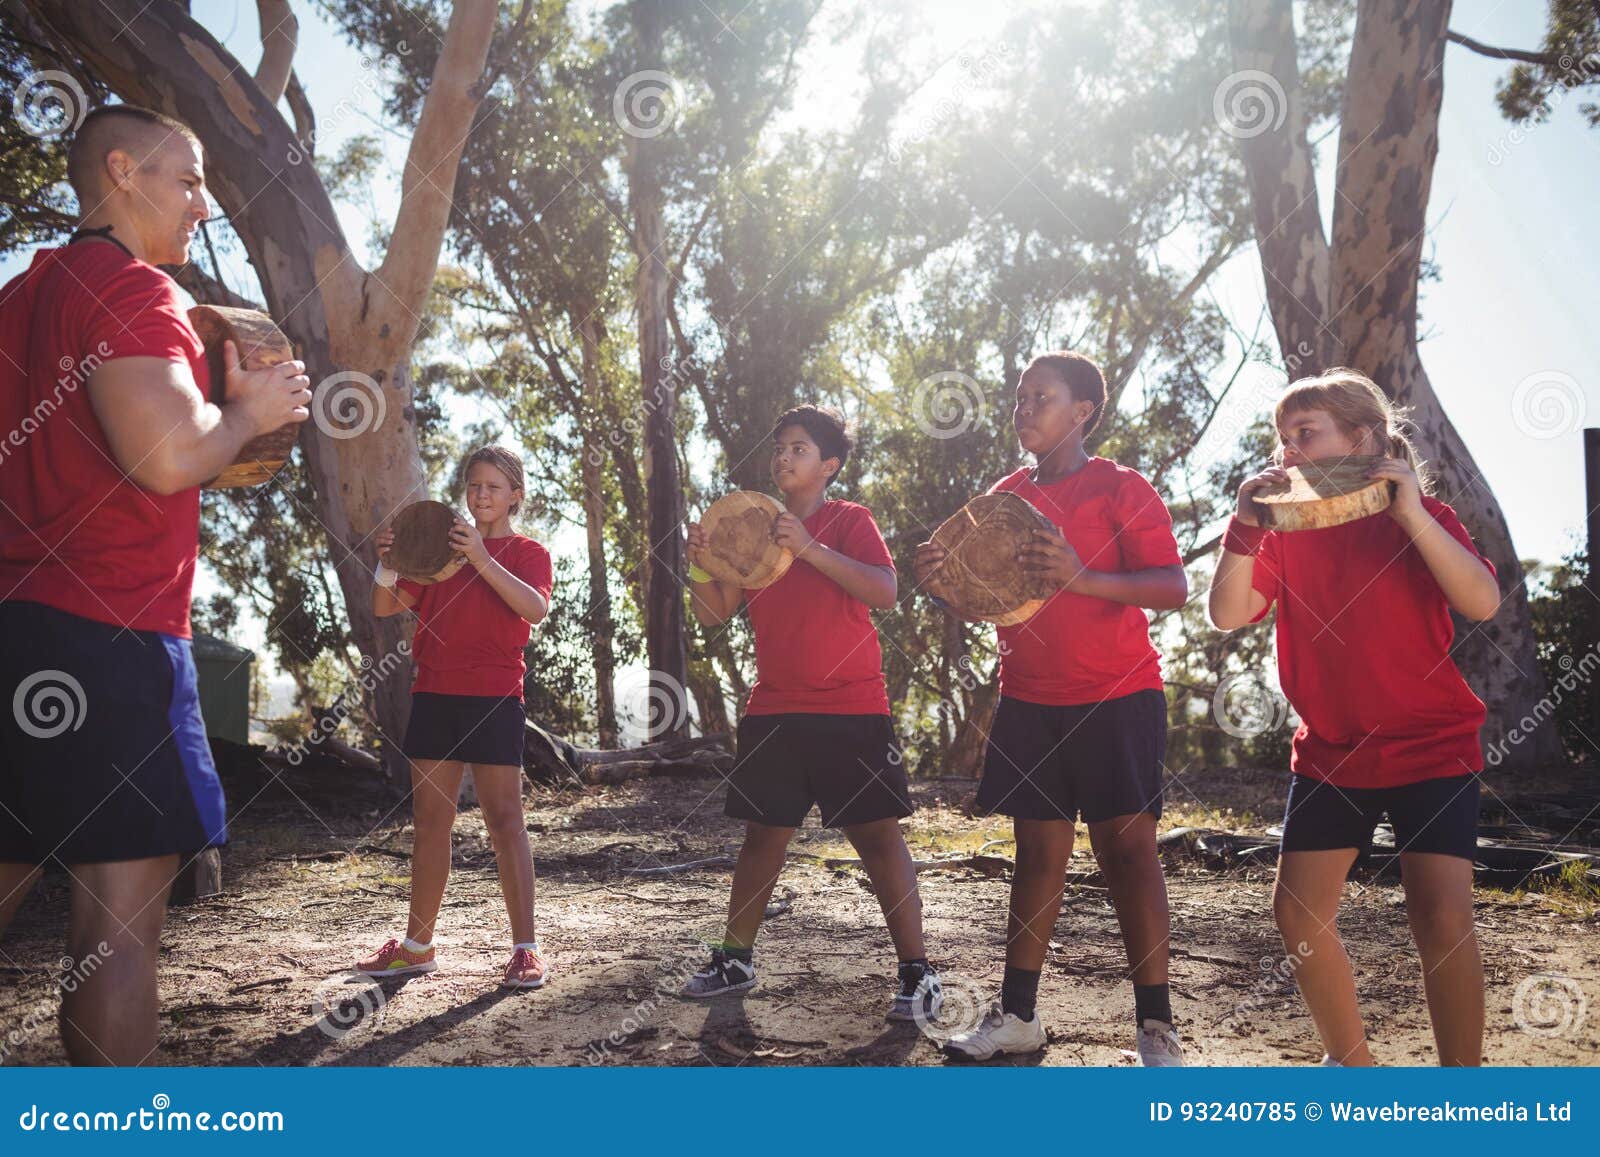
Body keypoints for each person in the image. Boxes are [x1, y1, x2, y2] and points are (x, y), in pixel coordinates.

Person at [0, 105, 310, 1064]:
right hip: (113, 638)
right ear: (123, 172)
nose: (204, 204)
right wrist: (247, 408)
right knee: (117, 932)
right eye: (188, 180)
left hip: (16, 630)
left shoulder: (18, 298)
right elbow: (171, 454)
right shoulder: (136, 291)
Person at [1208, 369, 1499, 1067]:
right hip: (1333, 752)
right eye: (1282, 440)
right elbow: (1226, 613)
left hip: (1431, 745)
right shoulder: (1284, 531)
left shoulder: (1421, 518)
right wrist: (1243, 528)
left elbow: (1483, 601)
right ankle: (1354, 1068)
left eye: (1305, 435)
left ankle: (1464, 1089)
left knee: (1441, 916)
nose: (1288, 454)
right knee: (1298, 913)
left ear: (1363, 438)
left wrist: (1412, 513)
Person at [916, 351, 1188, 1064]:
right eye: (1019, 397)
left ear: (1083, 412)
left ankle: (1155, 1026)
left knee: (1128, 852)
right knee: (1036, 855)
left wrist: (1083, 575)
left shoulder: (1120, 487)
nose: (1024, 409)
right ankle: (1018, 1017)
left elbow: (1172, 586)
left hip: (1118, 697)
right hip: (1030, 701)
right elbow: (985, 597)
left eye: (1041, 396)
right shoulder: (1001, 496)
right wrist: (944, 580)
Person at [680, 405, 941, 1023]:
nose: (783, 457)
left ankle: (917, 972)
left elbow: (884, 589)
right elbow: (712, 615)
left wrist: (810, 547)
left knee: (878, 835)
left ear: (829, 466)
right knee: (763, 836)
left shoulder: (850, 519)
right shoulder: (751, 529)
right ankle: (735, 958)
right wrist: (699, 560)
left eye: (798, 448)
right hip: (775, 706)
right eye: (779, 447)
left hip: (852, 705)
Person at [358, 446, 554, 989]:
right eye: (474, 485)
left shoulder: (528, 552)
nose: (481, 495)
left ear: (515, 494)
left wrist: (482, 558)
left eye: (493, 486)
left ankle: (525, 949)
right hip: (435, 695)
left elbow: (533, 609)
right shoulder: (440, 550)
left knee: (505, 823)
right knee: (430, 825)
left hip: (494, 698)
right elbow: (384, 605)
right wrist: (388, 560)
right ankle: (418, 946)